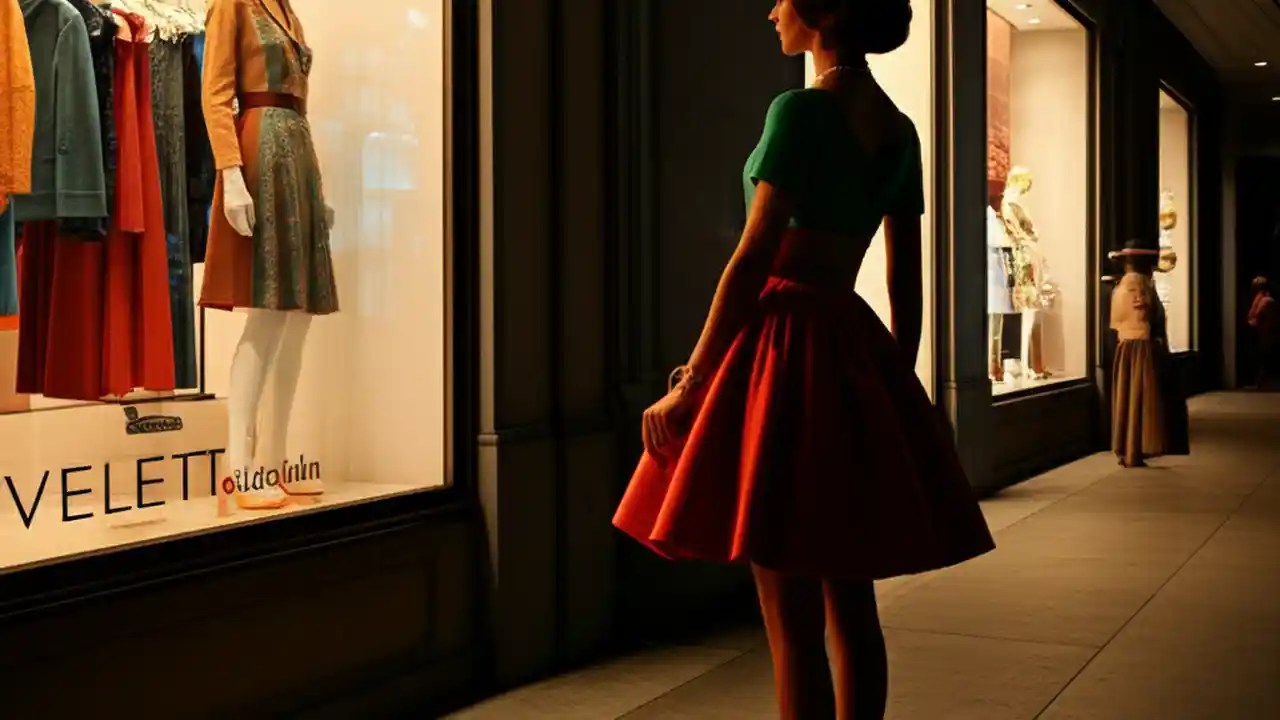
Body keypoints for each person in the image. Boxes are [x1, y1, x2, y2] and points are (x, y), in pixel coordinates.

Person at [611, 1, 995, 717]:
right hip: (851, 346)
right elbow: (902, 277)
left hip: (781, 351)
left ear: (818, 11)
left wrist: (691, 383)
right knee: (853, 604)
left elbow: (752, 258)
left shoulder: (800, 112)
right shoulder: (900, 128)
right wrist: (891, 386)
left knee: (790, 621)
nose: (771, 11)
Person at [1109, 242, 1186, 466]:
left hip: (1126, 345)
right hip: (1141, 346)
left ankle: (1127, 449)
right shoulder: (1140, 286)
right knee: (1141, 399)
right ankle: (1136, 449)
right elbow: (1150, 316)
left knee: (1127, 397)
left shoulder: (1121, 286)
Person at [1247, 276, 1279, 389]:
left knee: (1266, 360)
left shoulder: (1265, 301)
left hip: (1267, 336)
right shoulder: (1262, 300)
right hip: (1265, 335)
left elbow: (1256, 318)